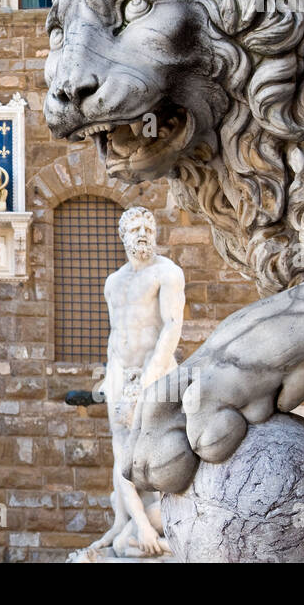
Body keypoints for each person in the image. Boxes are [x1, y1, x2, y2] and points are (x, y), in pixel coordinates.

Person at [83, 207, 185, 559]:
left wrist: (150, 377)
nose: (143, 233)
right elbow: (117, 335)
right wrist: (111, 376)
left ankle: (165, 525)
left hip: (156, 375)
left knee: (160, 452)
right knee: (121, 450)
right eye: (135, 228)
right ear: (123, 235)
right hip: (120, 377)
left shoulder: (168, 273)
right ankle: (123, 521)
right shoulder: (114, 282)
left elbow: (172, 327)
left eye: (148, 227)